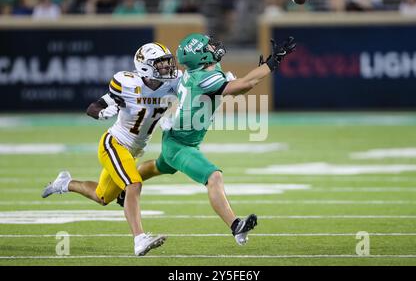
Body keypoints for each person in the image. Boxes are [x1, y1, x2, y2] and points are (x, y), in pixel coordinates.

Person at [119, 33, 296, 245]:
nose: (213, 47)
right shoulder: (203, 78)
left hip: (176, 140)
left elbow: (241, 86)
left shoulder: (204, 71)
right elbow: (242, 85)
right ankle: (235, 226)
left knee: (159, 166)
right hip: (180, 145)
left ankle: (126, 183)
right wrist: (272, 63)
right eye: (208, 46)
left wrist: (257, 74)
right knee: (214, 177)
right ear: (201, 57)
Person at [41, 42, 182, 256]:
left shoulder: (173, 82)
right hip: (114, 144)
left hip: (133, 151)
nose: (166, 67)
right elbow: (94, 106)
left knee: (103, 197)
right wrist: (101, 113)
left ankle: (64, 183)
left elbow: (195, 92)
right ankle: (140, 240)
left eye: (166, 62)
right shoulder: (126, 82)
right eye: (160, 63)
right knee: (133, 184)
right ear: (145, 66)